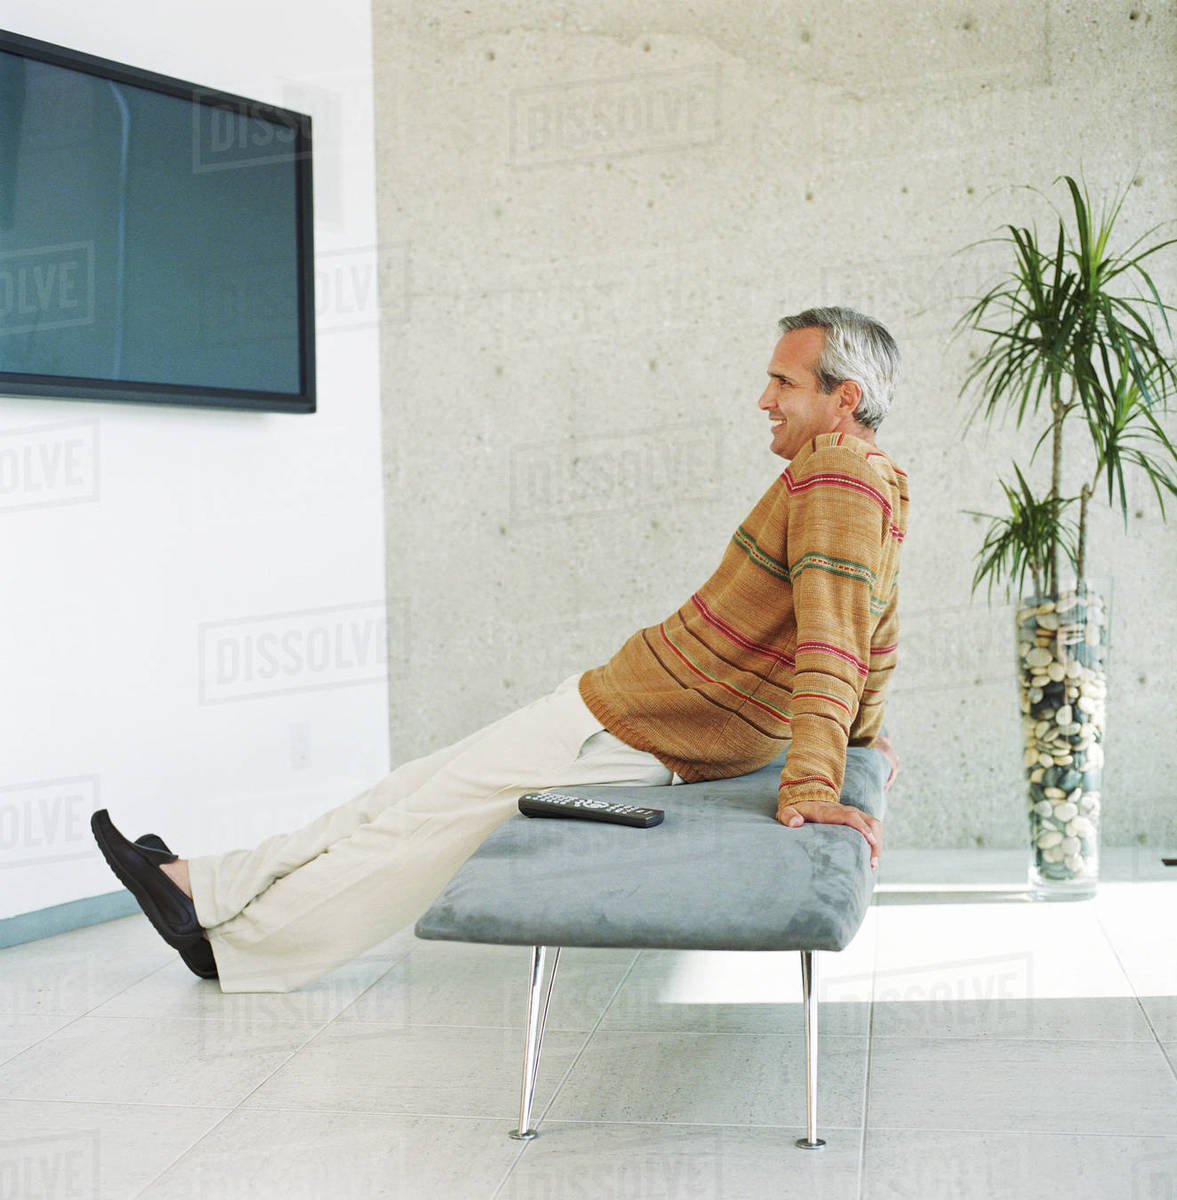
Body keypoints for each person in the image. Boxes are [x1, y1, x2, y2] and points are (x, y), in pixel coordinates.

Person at [91, 305, 909, 993]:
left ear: (846, 398)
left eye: (785, 382)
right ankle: (204, 885)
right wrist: (864, 742)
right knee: (405, 792)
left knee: (422, 823)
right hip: (639, 709)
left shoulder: (834, 472)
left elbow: (836, 636)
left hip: (639, 724)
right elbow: (875, 627)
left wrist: (812, 781)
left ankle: (237, 947)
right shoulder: (875, 476)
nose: (762, 397)